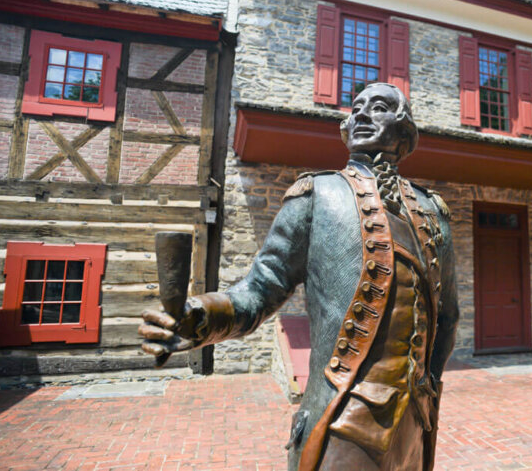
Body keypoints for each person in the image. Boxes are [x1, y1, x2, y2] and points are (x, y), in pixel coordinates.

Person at [139, 82, 459, 471]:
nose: (360, 114)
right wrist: (200, 317)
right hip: (344, 420)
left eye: (378, 107)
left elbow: (448, 318)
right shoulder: (316, 194)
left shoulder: (431, 210)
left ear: (404, 129)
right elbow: (260, 288)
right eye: (355, 107)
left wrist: (429, 389)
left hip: (415, 421)